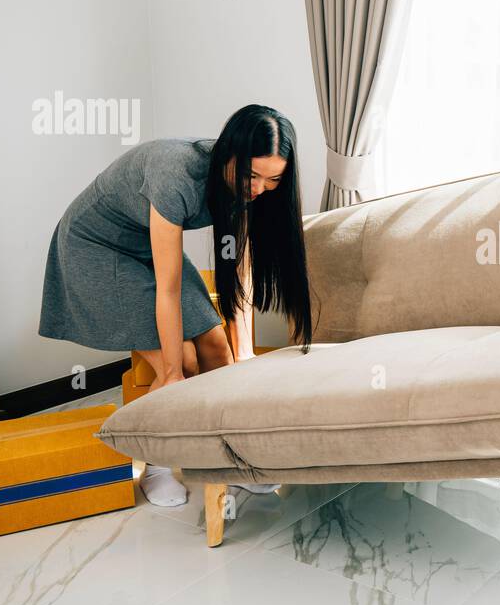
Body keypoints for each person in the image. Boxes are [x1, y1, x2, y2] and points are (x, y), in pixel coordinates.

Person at [39, 104, 314, 507]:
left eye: (273, 180)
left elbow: (237, 270)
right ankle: (157, 466)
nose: (258, 189)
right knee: (182, 360)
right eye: (253, 176)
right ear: (230, 155)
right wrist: (171, 373)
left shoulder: (246, 188)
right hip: (94, 247)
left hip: (146, 243)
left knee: (217, 348)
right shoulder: (177, 174)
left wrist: (244, 351)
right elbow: (167, 289)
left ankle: (232, 460)